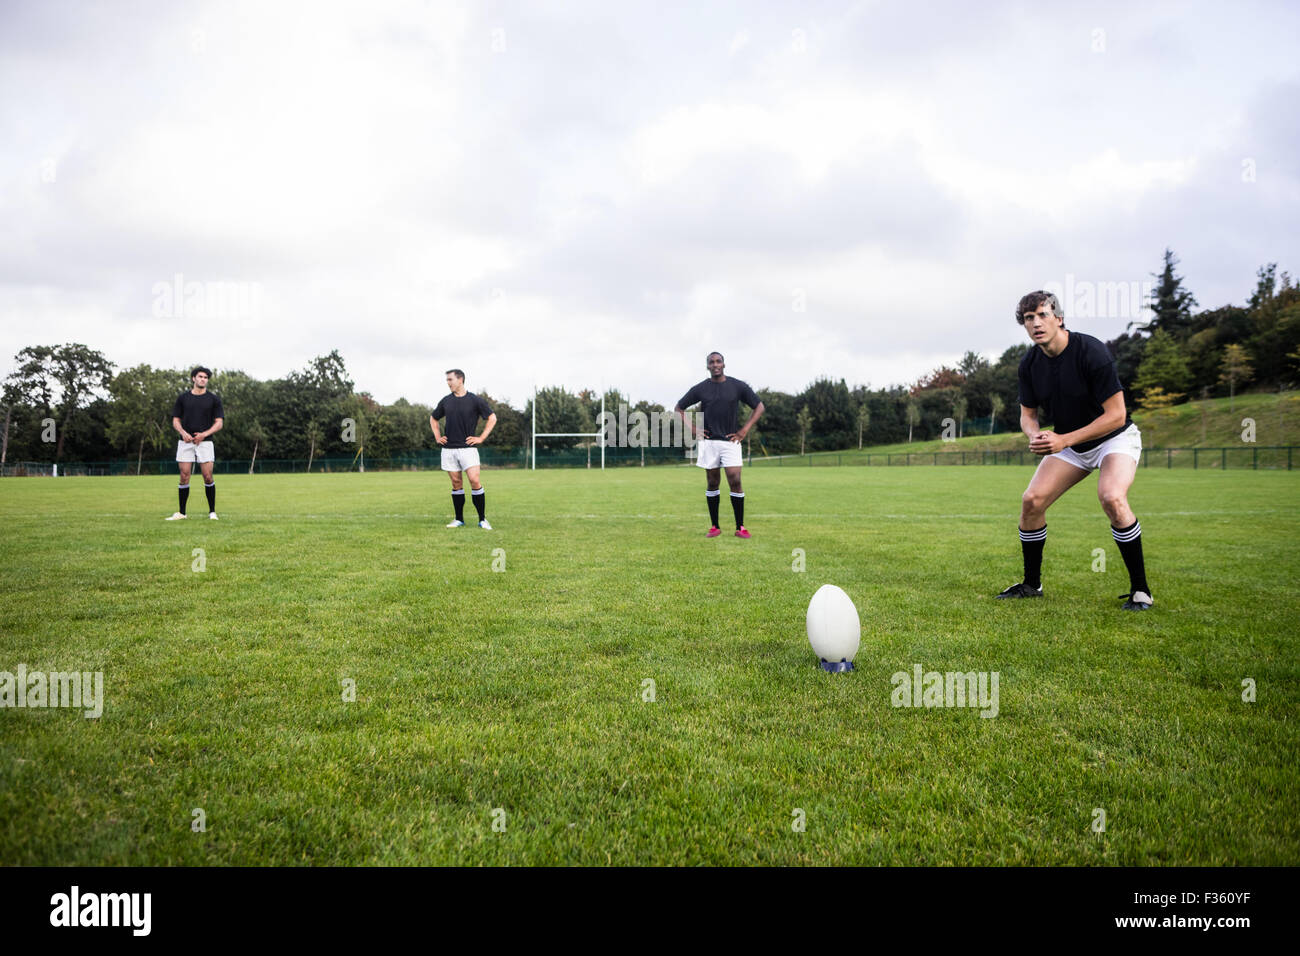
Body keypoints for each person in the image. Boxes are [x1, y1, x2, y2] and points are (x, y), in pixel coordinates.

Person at [996, 291, 1152, 609]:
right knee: (1032, 501)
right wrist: (1035, 435)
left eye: (1043, 315)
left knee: (1112, 497)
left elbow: (1116, 415)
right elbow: (1028, 416)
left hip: (1114, 438)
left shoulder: (1092, 351)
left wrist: (1064, 440)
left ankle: (1141, 590)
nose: (1036, 323)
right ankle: (1031, 584)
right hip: (1069, 445)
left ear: (1059, 317)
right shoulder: (1029, 364)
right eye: (1029, 318)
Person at [674, 352, 765, 538]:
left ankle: (741, 527)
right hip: (709, 443)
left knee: (735, 479)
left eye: (718, 361)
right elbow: (679, 408)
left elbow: (759, 406)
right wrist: (693, 428)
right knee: (713, 482)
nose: (715, 364)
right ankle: (715, 526)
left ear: (724, 364)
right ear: (707, 366)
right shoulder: (700, 389)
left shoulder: (737, 386)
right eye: (711, 362)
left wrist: (744, 430)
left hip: (731, 441)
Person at [431, 369, 497, 529]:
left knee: (474, 480)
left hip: (468, 449)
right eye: (447, 380)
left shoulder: (475, 400)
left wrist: (481, 438)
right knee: (456, 483)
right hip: (449, 449)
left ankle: (482, 519)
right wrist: (438, 436)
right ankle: (459, 519)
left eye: (450, 380)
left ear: (460, 380)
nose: (448, 383)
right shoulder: (445, 401)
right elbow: (433, 418)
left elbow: (492, 418)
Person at [166, 366, 224, 520]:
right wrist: (183, 433)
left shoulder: (214, 399)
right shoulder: (183, 398)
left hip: (205, 443)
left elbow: (219, 423)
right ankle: (182, 513)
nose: (203, 379)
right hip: (185, 442)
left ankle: (212, 512)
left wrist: (204, 435)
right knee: (184, 476)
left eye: (205, 377)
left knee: (207, 476)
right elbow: (175, 420)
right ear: (193, 378)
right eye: (200, 376)